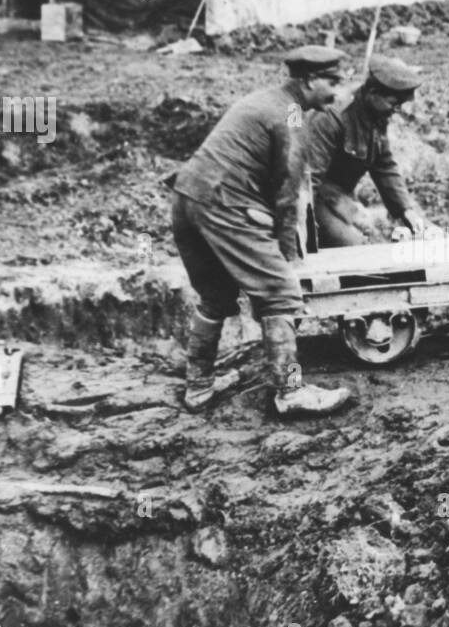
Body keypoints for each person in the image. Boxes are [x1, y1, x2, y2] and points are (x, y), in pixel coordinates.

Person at [168, 45, 354, 416]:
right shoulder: (292, 116)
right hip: (223, 205)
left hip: (187, 198)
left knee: (215, 295)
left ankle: (199, 387)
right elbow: (289, 193)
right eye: (331, 82)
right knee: (281, 293)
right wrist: (287, 259)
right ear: (309, 80)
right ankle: (290, 391)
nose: (336, 93)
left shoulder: (265, 101)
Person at [304, 54, 430, 247]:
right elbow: (307, 179)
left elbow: (384, 165)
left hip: (338, 193)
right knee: (354, 247)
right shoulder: (332, 116)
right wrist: (302, 230)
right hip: (314, 193)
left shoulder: (375, 112)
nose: (396, 110)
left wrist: (407, 211)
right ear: (373, 92)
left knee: (373, 234)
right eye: (393, 104)